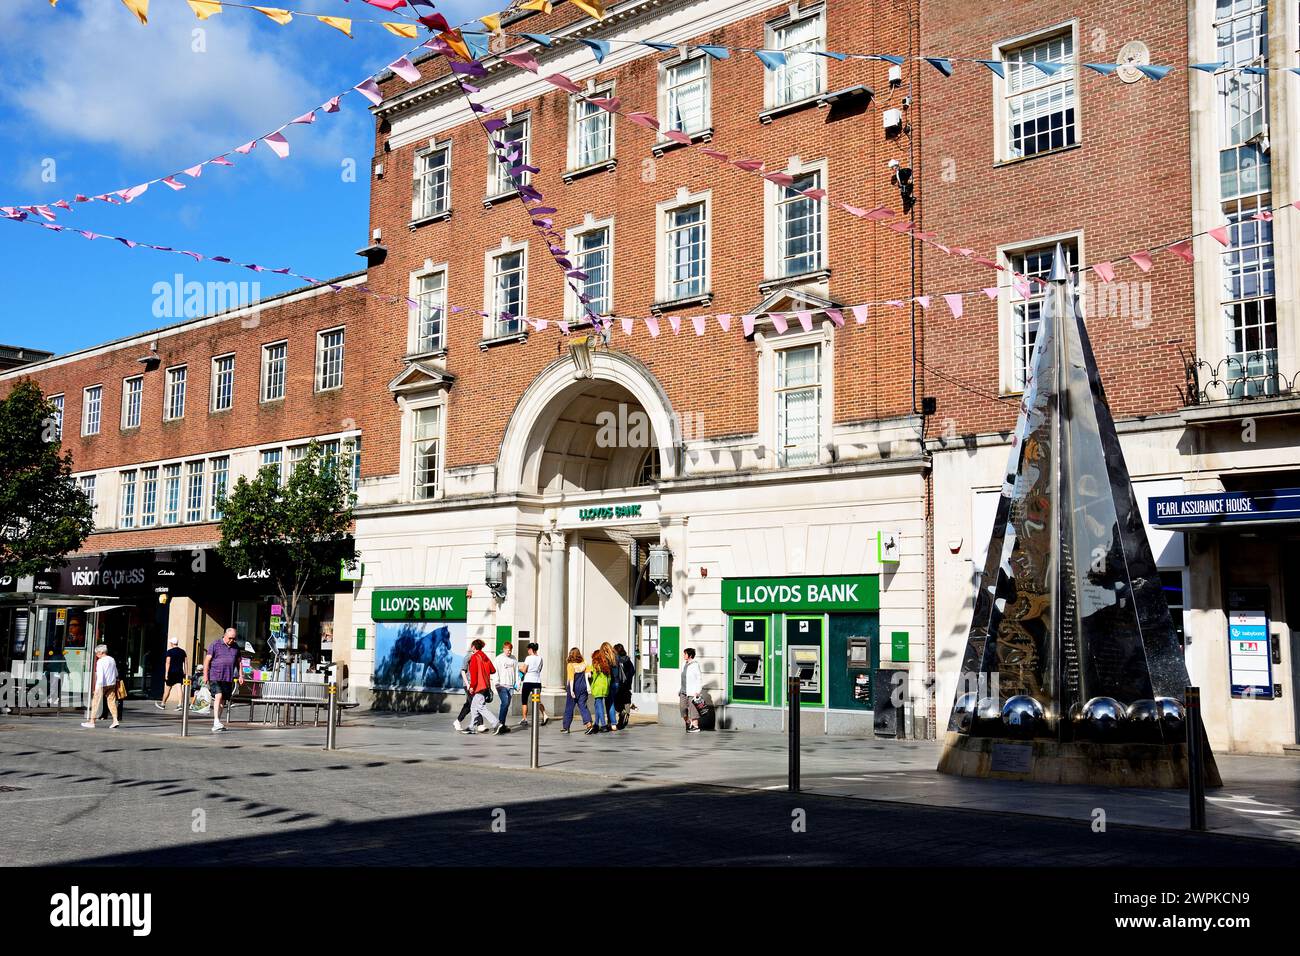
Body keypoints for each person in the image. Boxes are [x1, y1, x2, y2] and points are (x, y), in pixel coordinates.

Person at [203, 628, 245, 733]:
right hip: (215, 675)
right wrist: (205, 675)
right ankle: (216, 721)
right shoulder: (215, 644)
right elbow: (207, 660)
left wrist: (241, 675)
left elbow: (239, 662)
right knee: (219, 695)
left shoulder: (235, 647)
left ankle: (217, 723)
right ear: (225, 635)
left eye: (234, 638)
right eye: (230, 638)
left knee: (223, 700)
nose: (232, 640)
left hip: (228, 676)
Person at [463, 638, 506, 736]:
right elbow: (493, 670)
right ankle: (471, 727)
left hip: (479, 686)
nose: (471, 648)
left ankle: (496, 724)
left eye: (472, 646)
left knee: (480, 706)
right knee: (474, 706)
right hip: (486, 685)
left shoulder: (474, 657)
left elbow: (474, 673)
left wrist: (472, 686)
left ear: (474, 647)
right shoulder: (485, 656)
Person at [81, 644, 121, 729]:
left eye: (97, 653)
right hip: (112, 683)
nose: (96, 655)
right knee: (111, 702)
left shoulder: (100, 661)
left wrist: (96, 688)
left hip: (102, 684)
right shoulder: (112, 659)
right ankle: (115, 720)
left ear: (101, 652)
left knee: (95, 702)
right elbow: (116, 672)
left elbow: (100, 675)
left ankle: (92, 722)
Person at [561, 647, 592, 735]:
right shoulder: (584, 663)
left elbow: (571, 679)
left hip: (574, 687)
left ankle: (566, 727)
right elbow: (589, 675)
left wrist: (571, 690)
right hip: (583, 687)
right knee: (583, 706)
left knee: (569, 707)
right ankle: (589, 725)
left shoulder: (570, 665)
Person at [518, 642, 547, 728]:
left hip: (528, 681)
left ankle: (524, 718)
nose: (528, 651)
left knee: (524, 700)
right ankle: (545, 715)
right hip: (537, 681)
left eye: (528, 649)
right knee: (537, 700)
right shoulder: (540, 658)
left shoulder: (528, 658)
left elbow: (524, 670)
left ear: (531, 649)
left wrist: (518, 668)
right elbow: (540, 669)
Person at [156, 637, 187, 712]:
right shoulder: (183, 651)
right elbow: (186, 663)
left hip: (171, 672)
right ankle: (180, 704)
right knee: (179, 688)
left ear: (172, 643)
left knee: (167, 689)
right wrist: (186, 672)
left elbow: (167, 663)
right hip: (180, 672)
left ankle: (163, 704)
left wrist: (166, 673)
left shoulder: (169, 652)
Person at [493, 641, 520, 726]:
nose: (509, 652)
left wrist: (517, 684)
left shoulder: (514, 659)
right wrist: (496, 683)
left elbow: (516, 672)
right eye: (508, 650)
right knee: (505, 703)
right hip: (501, 685)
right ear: (504, 649)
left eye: (510, 650)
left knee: (506, 704)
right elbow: (495, 671)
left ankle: (502, 724)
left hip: (511, 686)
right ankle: (500, 723)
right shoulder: (498, 658)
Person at [679, 647, 703, 733]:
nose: (684, 655)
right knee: (682, 708)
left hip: (692, 691)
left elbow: (699, 679)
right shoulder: (683, 664)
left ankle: (695, 726)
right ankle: (688, 722)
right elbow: (682, 678)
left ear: (690, 655)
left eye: (685, 654)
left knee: (693, 709)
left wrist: (698, 691)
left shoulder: (695, 665)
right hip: (683, 691)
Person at [588, 646, 611, 734]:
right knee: (597, 705)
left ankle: (604, 725)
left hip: (598, 687)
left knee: (599, 705)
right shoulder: (606, 665)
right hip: (605, 687)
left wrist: (591, 685)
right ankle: (596, 724)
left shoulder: (595, 665)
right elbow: (609, 678)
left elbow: (593, 677)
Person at [613, 642, 635, 729]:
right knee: (626, 700)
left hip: (619, 684)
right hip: (627, 684)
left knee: (617, 703)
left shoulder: (616, 660)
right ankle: (625, 717)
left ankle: (622, 715)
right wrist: (628, 679)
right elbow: (633, 671)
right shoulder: (627, 659)